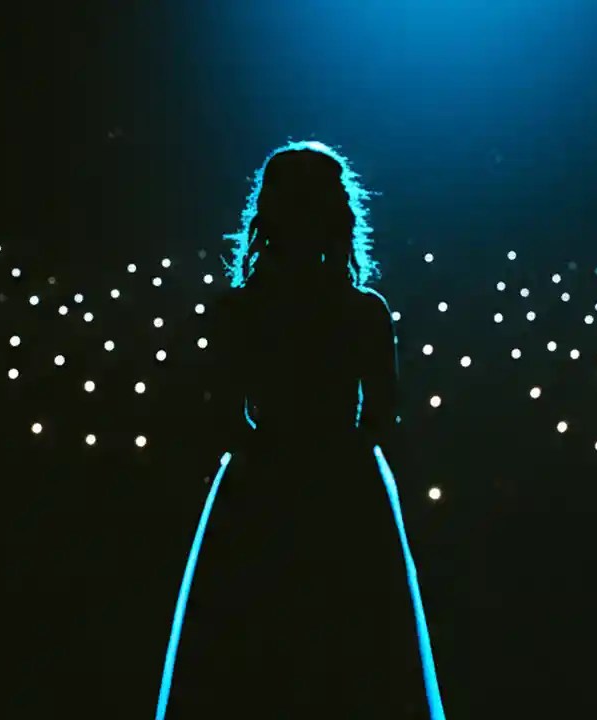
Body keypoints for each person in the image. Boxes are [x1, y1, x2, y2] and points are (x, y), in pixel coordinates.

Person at [163, 141, 430, 718]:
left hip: (258, 488)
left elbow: (222, 417)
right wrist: (338, 454)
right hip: (347, 487)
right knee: (356, 649)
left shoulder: (238, 310)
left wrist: (271, 453)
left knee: (246, 652)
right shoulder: (364, 311)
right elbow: (383, 416)